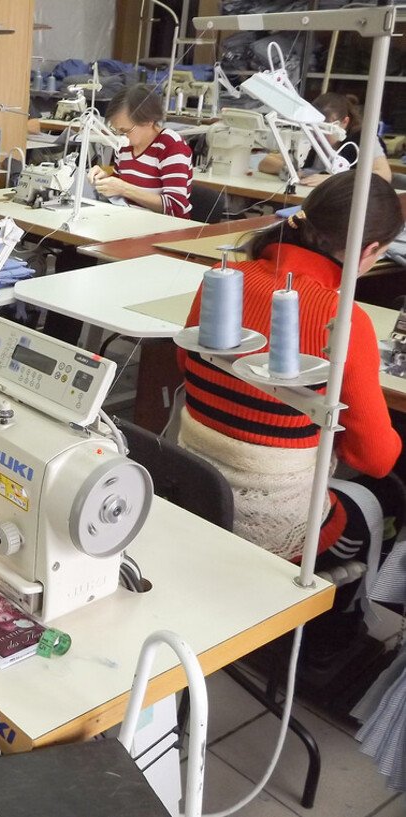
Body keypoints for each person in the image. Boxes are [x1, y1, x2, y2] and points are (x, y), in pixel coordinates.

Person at [177, 170, 404, 663]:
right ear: (369, 250)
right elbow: (375, 458)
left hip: (192, 496)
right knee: (384, 495)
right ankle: (318, 650)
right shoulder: (344, 321)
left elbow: (189, 365)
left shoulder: (222, 280)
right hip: (269, 529)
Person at [87, 84, 193, 218]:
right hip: (129, 219)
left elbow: (176, 208)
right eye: (116, 130)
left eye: (125, 130)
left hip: (166, 226)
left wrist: (124, 189)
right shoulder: (126, 145)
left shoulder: (172, 146)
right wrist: (105, 180)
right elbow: (120, 186)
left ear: (149, 121)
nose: (120, 136)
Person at [258, 92, 392, 186]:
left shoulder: (364, 139)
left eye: (324, 130)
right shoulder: (309, 135)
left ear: (345, 122)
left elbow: (384, 175)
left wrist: (333, 180)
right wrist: (290, 171)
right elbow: (265, 162)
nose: (317, 135)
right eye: (314, 128)